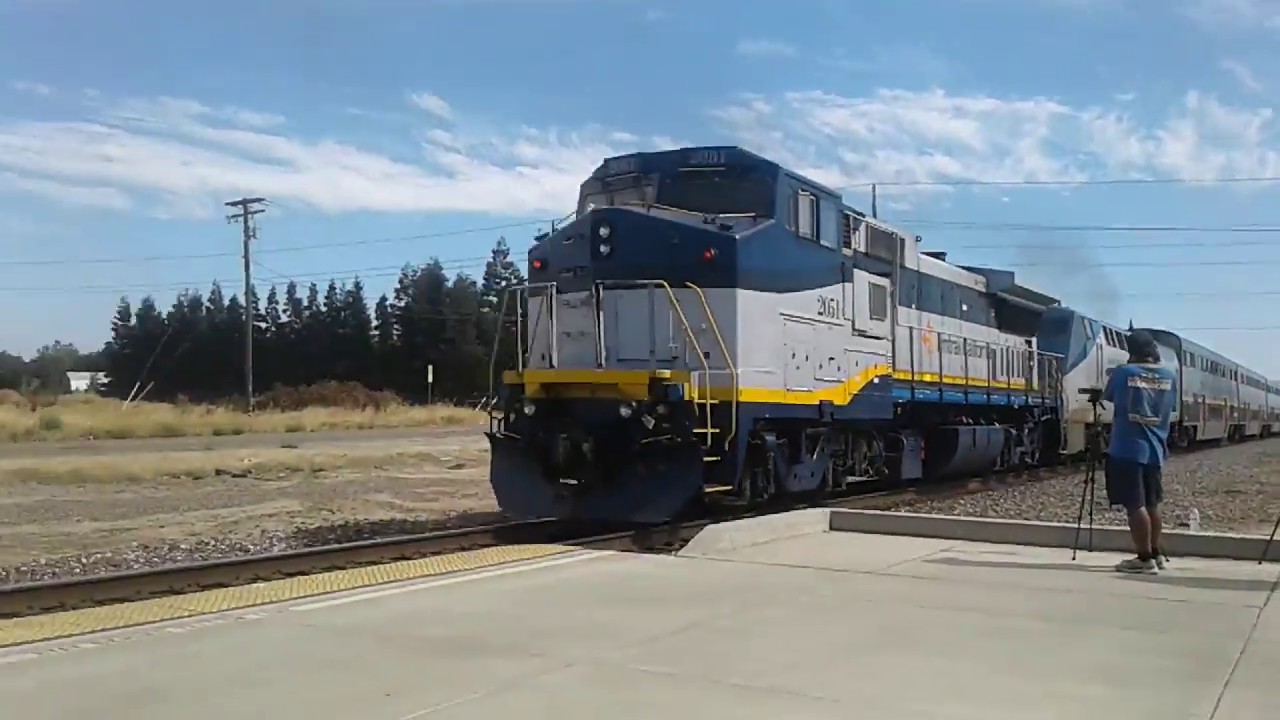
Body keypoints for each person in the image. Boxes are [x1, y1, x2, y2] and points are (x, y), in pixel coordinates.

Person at [1102, 330, 1178, 574]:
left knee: (1135, 505)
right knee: (1152, 504)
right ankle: (1155, 554)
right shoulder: (1169, 376)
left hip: (1127, 448)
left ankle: (1143, 559)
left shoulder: (1124, 372)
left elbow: (1110, 396)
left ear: (1131, 351)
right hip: (1155, 449)